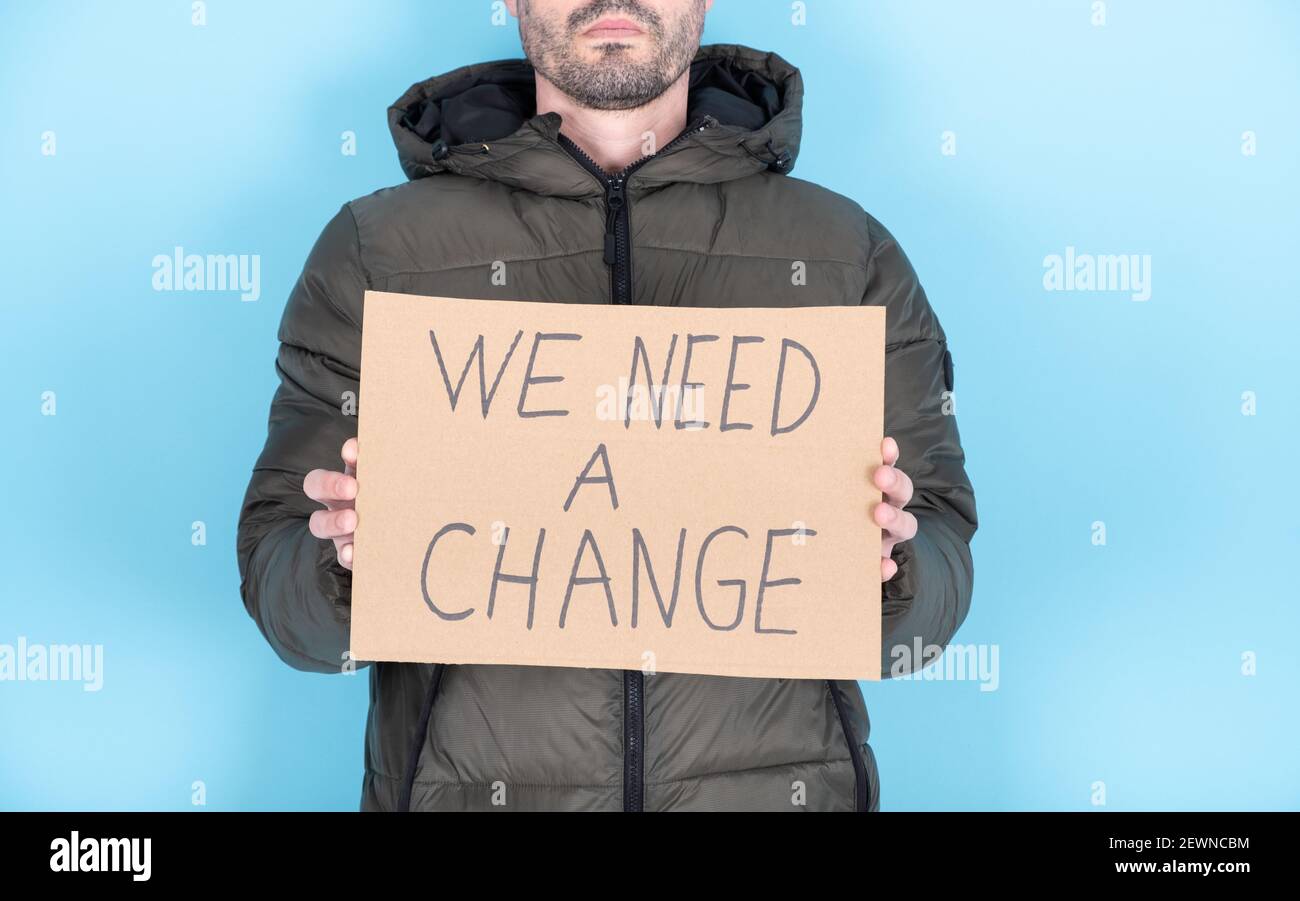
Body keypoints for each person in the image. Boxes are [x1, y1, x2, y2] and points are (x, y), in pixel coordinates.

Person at [237, 0, 976, 811]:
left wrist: (894, 567)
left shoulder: (848, 255)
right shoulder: (376, 252)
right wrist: (341, 563)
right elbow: (288, 612)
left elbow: (931, 607)